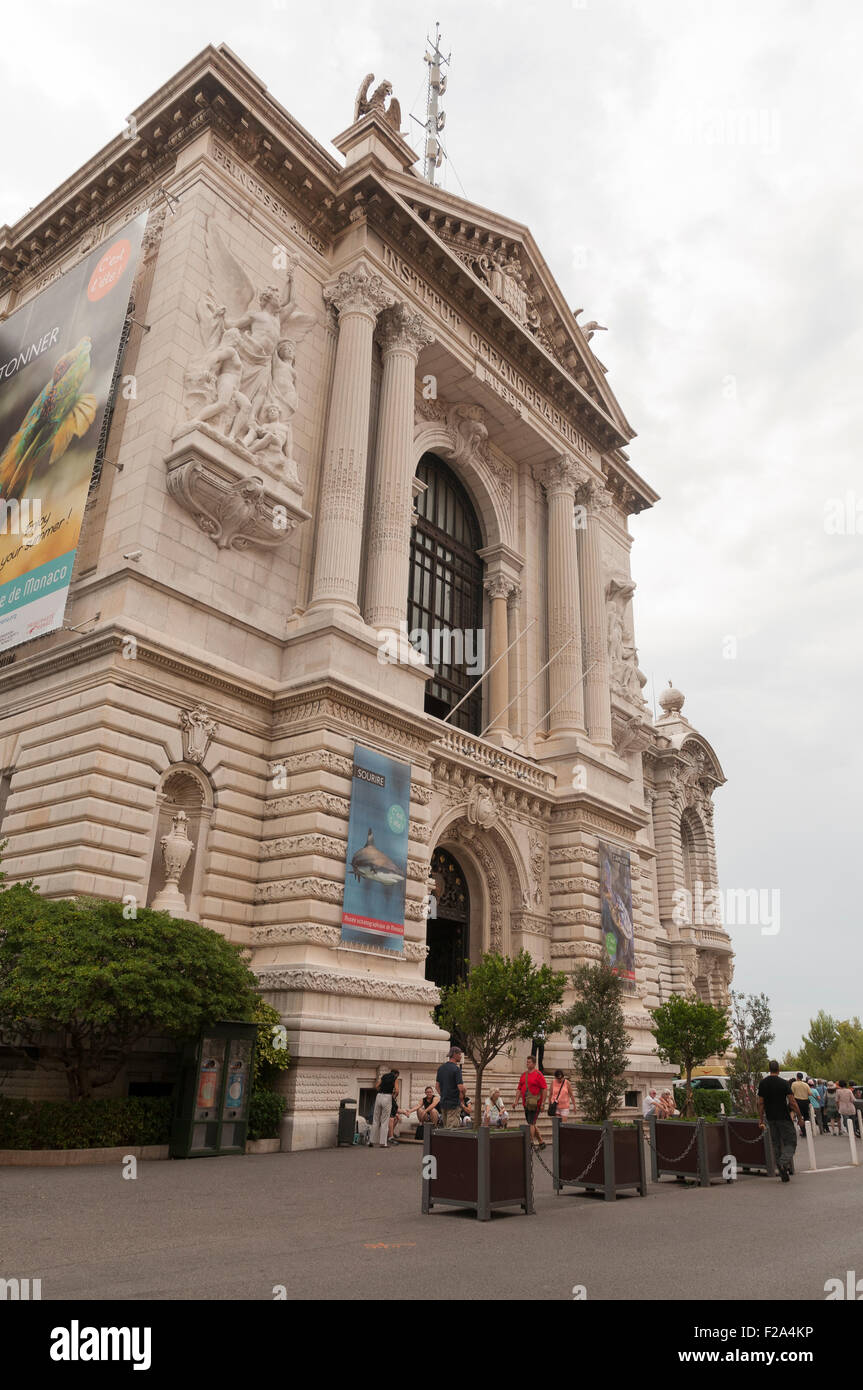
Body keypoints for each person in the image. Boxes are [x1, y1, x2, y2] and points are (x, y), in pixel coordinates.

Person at [757, 1060, 803, 1182]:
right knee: (791, 1141)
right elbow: (792, 1102)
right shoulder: (784, 1083)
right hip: (783, 1117)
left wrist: (761, 1119)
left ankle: (782, 1170)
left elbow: (760, 1103)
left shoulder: (763, 1083)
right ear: (779, 1069)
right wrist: (800, 1117)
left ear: (769, 1069)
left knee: (775, 1144)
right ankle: (783, 1163)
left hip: (770, 1118)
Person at [515, 1055, 547, 1148]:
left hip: (535, 1103)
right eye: (527, 1062)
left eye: (529, 1062)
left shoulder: (538, 1074)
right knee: (531, 1122)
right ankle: (541, 1142)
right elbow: (519, 1089)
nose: (527, 1063)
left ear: (534, 1064)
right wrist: (516, 1101)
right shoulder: (524, 1075)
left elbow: (544, 1089)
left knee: (531, 1123)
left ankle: (530, 1142)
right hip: (526, 1103)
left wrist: (543, 1103)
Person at [436, 1046, 466, 1129]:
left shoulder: (441, 1068)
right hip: (453, 1103)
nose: (461, 1056)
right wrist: (464, 1092)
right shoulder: (456, 1069)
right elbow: (460, 1087)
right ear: (455, 1054)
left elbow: (437, 1086)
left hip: (443, 1102)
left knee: (445, 1127)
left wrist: (443, 1095)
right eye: (460, 1054)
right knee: (452, 1129)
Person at [371, 1065, 399, 1149]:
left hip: (379, 1096)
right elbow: (397, 1090)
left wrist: (380, 1091)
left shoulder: (383, 1076)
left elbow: (376, 1086)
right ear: (396, 1074)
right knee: (384, 1121)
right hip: (387, 1097)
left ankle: (371, 1141)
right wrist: (394, 1096)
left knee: (375, 1119)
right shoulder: (395, 1078)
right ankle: (383, 1143)